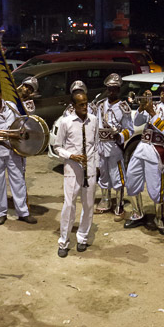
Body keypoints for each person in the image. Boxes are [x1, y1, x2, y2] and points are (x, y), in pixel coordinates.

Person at [124, 74, 164, 235]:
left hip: (157, 150)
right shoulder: (155, 105)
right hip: (142, 146)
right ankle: (137, 213)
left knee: (156, 187)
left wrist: (152, 113)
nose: (162, 92)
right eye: (161, 89)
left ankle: (159, 218)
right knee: (131, 179)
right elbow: (137, 123)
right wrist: (143, 109)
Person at [0, 85, 37, 225]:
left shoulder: (11, 106)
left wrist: (21, 134)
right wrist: (12, 134)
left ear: (0, 94)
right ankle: (0, 213)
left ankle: (23, 212)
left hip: (14, 149)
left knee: (18, 180)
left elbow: (21, 122)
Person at [55, 90, 99, 256]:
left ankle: (82, 237)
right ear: (73, 106)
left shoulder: (93, 120)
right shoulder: (65, 122)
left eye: (86, 103)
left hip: (90, 168)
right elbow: (57, 147)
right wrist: (71, 156)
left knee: (88, 205)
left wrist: (95, 165)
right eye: (81, 105)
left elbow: (96, 144)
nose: (84, 107)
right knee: (69, 205)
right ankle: (64, 242)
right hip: (72, 169)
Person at [94, 73, 133, 220]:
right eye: (109, 89)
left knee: (117, 175)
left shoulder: (124, 107)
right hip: (101, 145)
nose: (112, 91)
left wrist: (120, 136)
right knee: (103, 173)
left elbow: (130, 130)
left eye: (115, 89)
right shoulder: (99, 105)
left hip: (115, 146)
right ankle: (105, 200)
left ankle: (120, 203)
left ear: (119, 90)